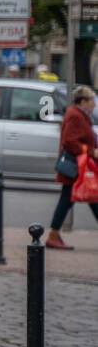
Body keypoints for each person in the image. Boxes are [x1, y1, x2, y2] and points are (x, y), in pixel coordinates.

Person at [45, 85, 98, 249]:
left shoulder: (79, 115)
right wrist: (90, 151)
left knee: (87, 198)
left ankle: (53, 235)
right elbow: (69, 141)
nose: (94, 105)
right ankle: (53, 235)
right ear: (83, 101)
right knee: (89, 198)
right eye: (92, 101)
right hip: (76, 168)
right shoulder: (75, 116)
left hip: (78, 167)